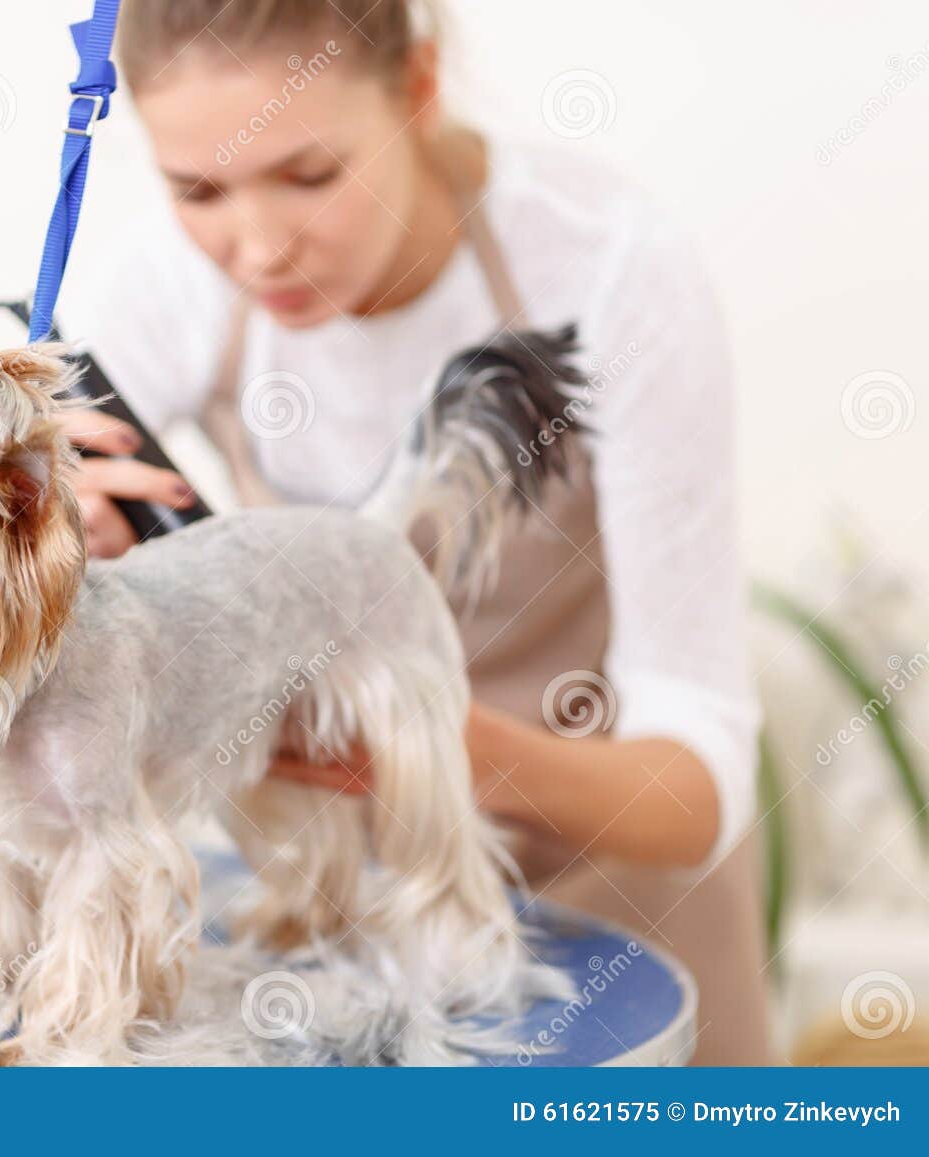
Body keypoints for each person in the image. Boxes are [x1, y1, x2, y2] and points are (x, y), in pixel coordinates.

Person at [57, 0, 773, 1064]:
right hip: (346, 915)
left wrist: (423, 737)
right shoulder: (164, 286)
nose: (254, 247)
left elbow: (699, 786)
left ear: (419, 90)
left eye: (309, 175)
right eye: (196, 189)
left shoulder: (608, 267)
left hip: (623, 903)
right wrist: (65, 564)